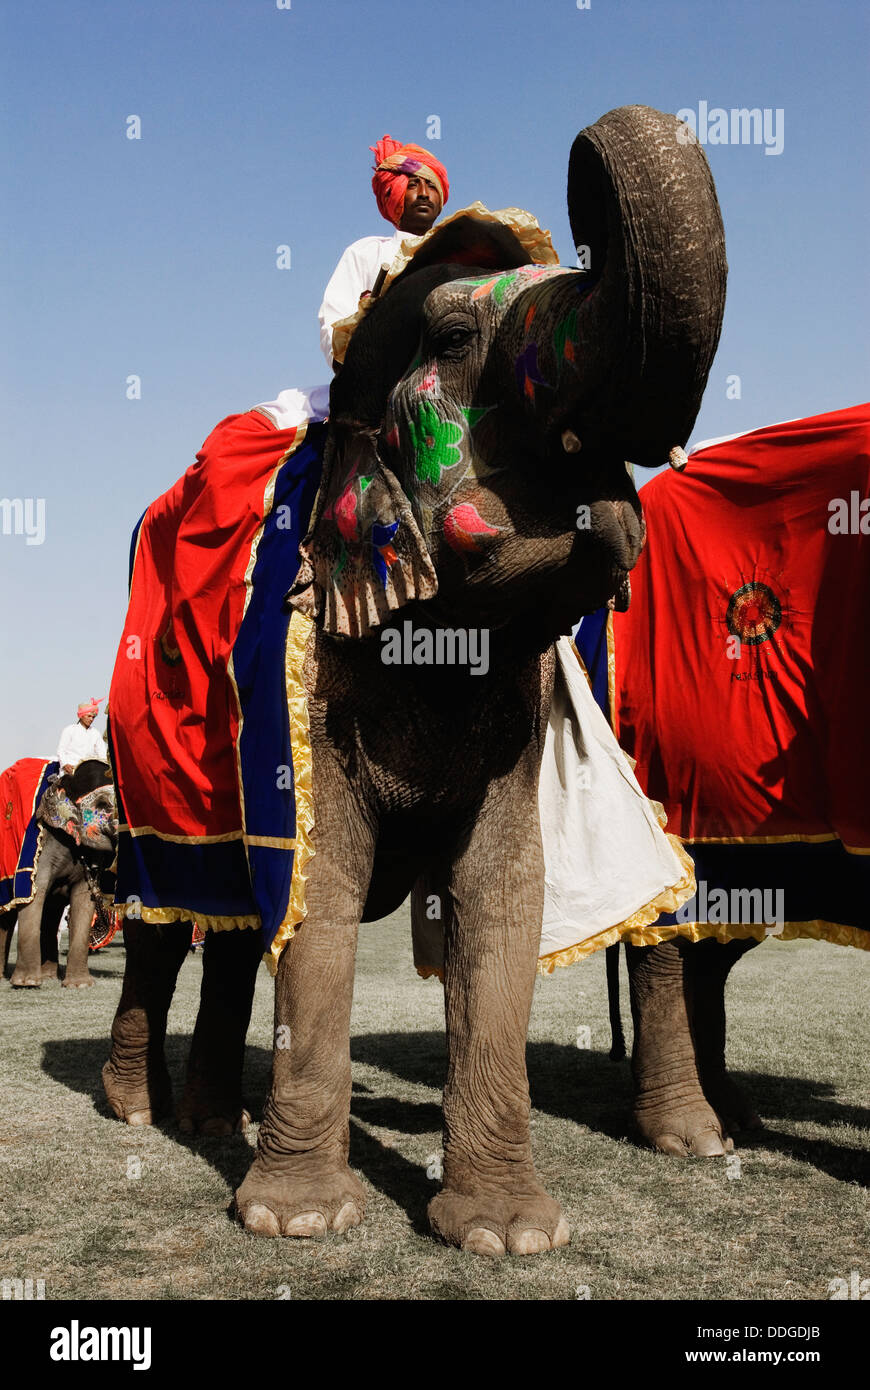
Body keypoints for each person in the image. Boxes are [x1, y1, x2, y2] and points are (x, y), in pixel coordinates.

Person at [317, 135, 450, 370]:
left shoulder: (458, 252)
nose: (423, 193)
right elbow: (334, 328)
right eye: (412, 185)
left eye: (431, 185)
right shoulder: (366, 252)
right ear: (393, 195)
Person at [57, 698, 107, 774]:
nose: (91, 719)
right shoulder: (69, 730)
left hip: (90, 771)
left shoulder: (95, 733)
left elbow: (102, 755)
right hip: (70, 770)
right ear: (81, 716)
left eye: (93, 717)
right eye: (89, 716)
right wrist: (65, 765)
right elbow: (61, 751)